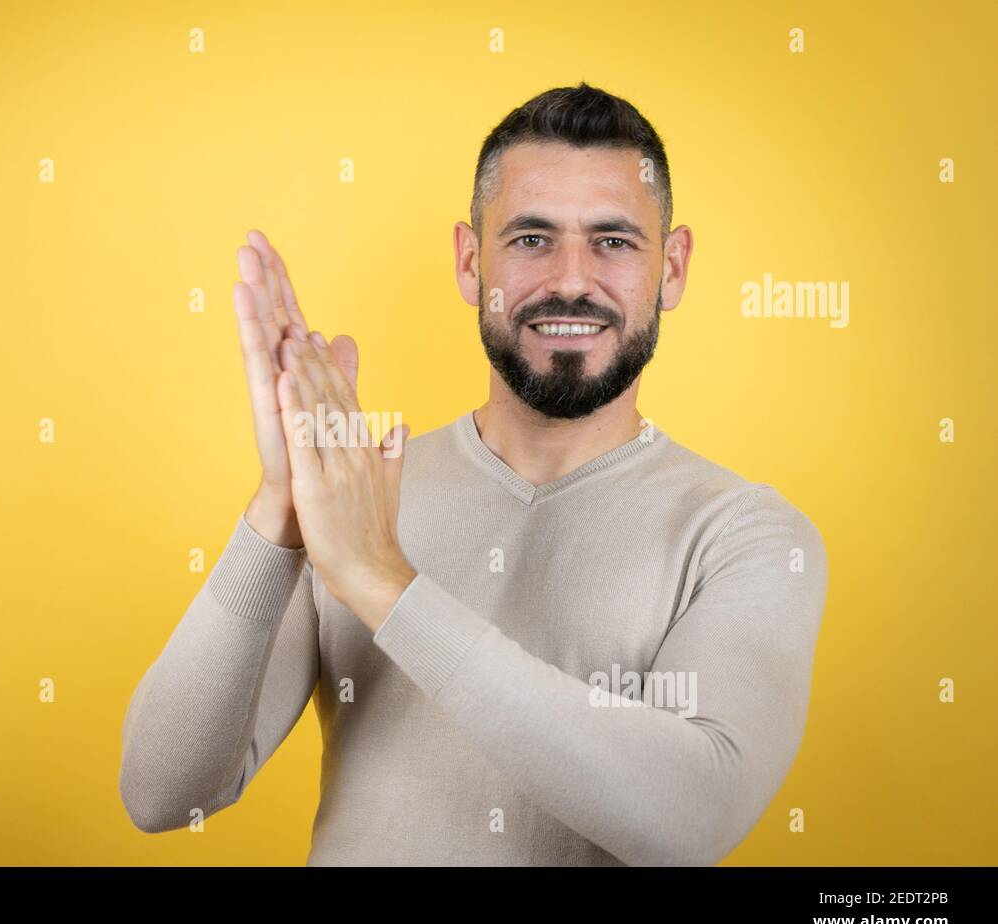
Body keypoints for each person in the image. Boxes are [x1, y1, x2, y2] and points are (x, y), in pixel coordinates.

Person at [119, 82, 829, 866]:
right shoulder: (359, 495)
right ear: (469, 260)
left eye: (614, 242)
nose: (570, 280)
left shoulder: (747, 535)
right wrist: (279, 509)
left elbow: (694, 818)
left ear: (673, 266)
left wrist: (385, 586)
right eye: (531, 239)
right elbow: (162, 793)